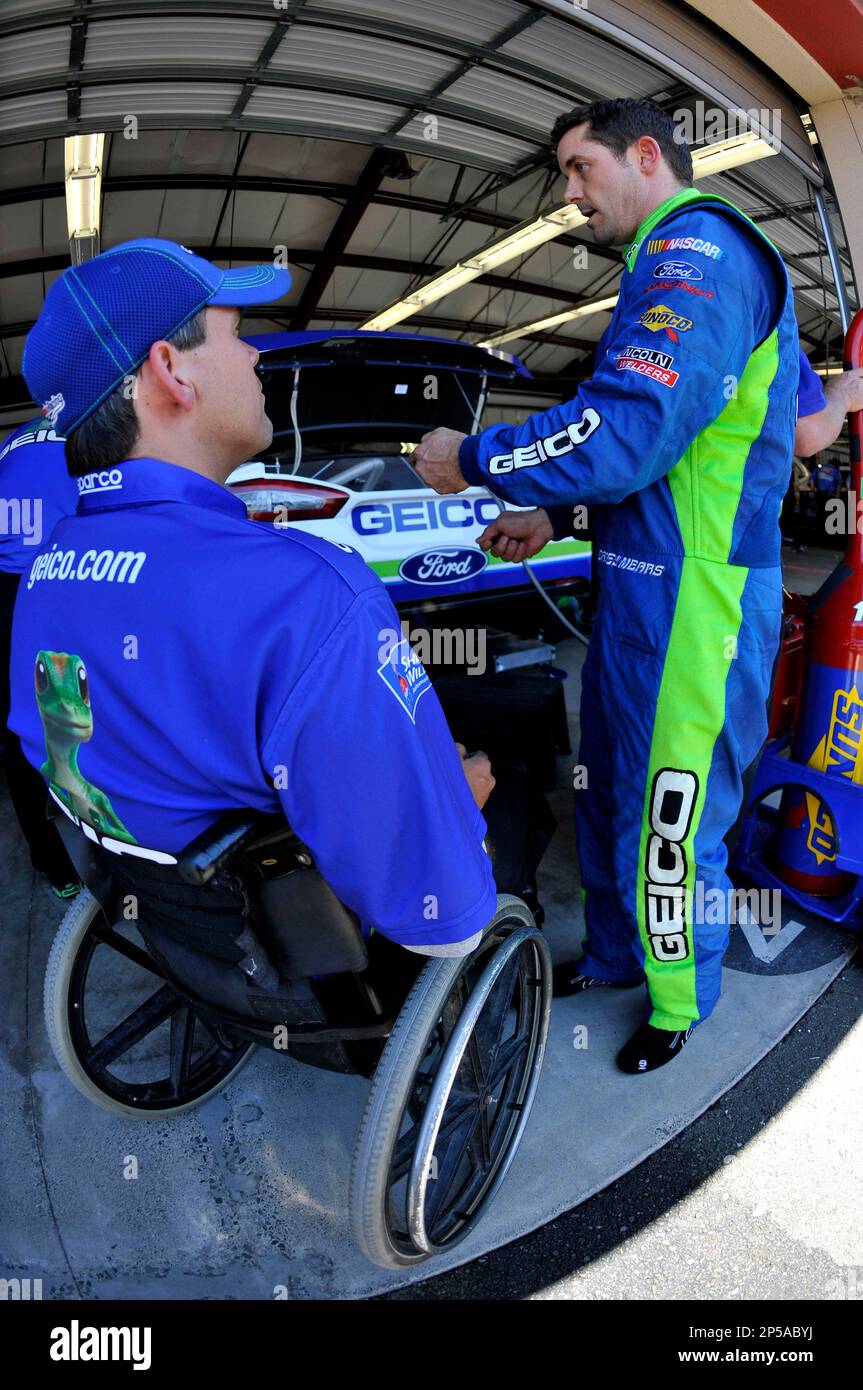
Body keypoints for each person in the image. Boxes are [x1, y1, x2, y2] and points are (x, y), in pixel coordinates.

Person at [413, 97, 799, 1073]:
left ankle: (678, 1002)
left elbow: (625, 425)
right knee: (608, 793)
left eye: (579, 169)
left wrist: (475, 456)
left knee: (670, 816)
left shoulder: (695, 254)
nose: (568, 193)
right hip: (639, 595)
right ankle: (619, 952)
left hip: (697, 607)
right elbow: (655, 465)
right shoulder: (652, 273)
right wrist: (556, 513)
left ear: (642, 155)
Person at [9, 238, 501, 962]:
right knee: (499, 789)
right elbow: (444, 919)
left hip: (184, 929)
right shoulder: (308, 591)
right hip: (312, 948)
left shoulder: (44, 570)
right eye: (236, 334)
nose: (256, 357)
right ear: (170, 370)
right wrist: (461, 801)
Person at [0, 414, 80, 894]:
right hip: (54, 579)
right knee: (79, 714)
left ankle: (55, 866)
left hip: (7, 588)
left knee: (19, 728)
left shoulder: (15, 439)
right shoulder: (93, 427)